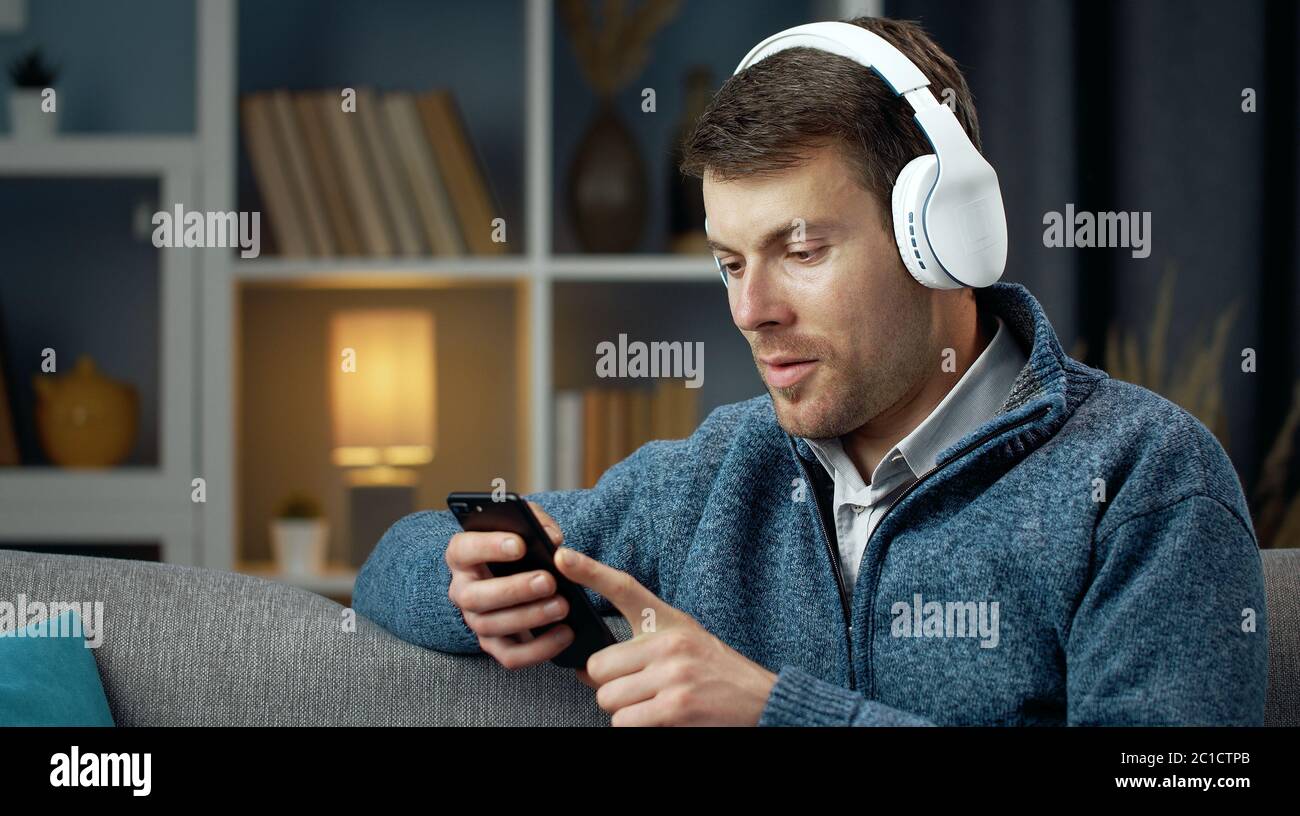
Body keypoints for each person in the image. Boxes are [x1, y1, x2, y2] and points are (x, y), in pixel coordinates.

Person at [353, 16, 1267, 726]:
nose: (752, 312)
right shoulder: (716, 477)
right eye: (729, 262)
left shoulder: (1145, 479)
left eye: (800, 249)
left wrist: (772, 711)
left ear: (943, 237)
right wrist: (470, 584)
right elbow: (387, 566)